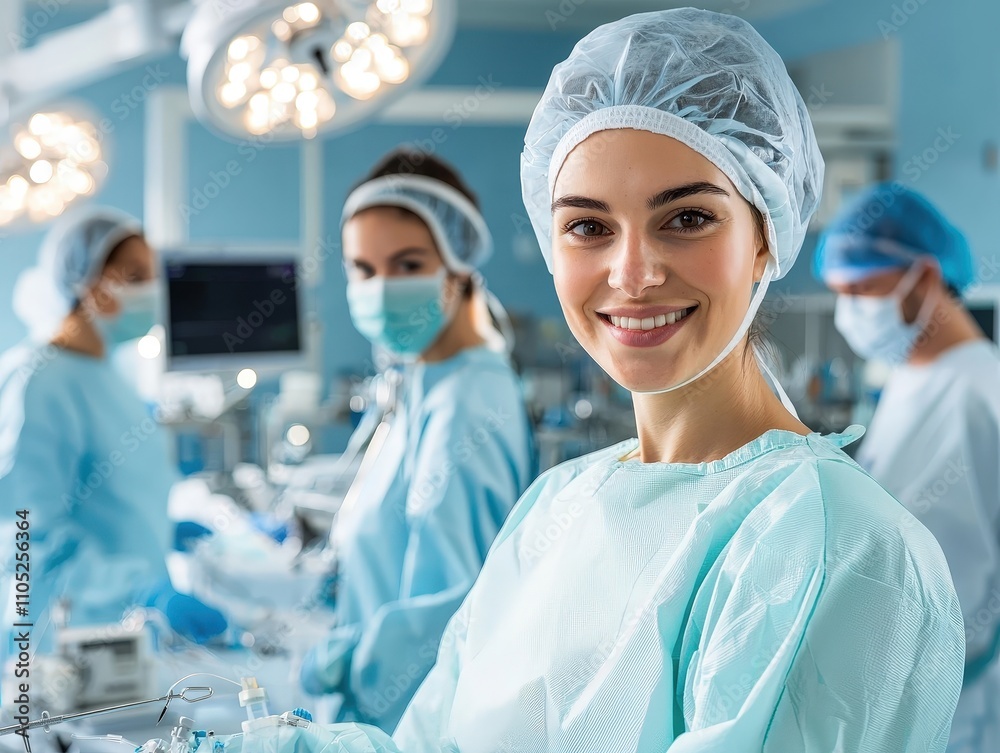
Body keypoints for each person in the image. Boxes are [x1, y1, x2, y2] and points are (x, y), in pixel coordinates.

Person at [295, 9, 966, 753]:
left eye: (686, 217)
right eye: (588, 226)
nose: (633, 273)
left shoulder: (839, 547)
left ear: (766, 235)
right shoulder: (555, 508)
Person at [298, 151, 535, 731]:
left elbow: (448, 617)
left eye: (408, 265)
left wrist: (349, 665)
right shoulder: (427, 378)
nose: (381, 289)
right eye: (363, 268)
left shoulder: (467, 404)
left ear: (458, 268)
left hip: (409, 724)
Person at [815, 183, 1000, 753]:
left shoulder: (974, 392)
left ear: (923, 278)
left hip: (956, 706)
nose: (850, 312)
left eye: (862, 289)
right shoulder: (911, 374)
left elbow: (960, 583)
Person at [0, 208, 227, 665]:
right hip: (62, 640)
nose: (153, 289)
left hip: (126, 630)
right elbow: (28, 537)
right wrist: (143, 589)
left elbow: (109, 497)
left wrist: (160, 531)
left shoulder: (109, 374)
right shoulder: (42, 382)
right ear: (88, 282)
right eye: (135, 275)